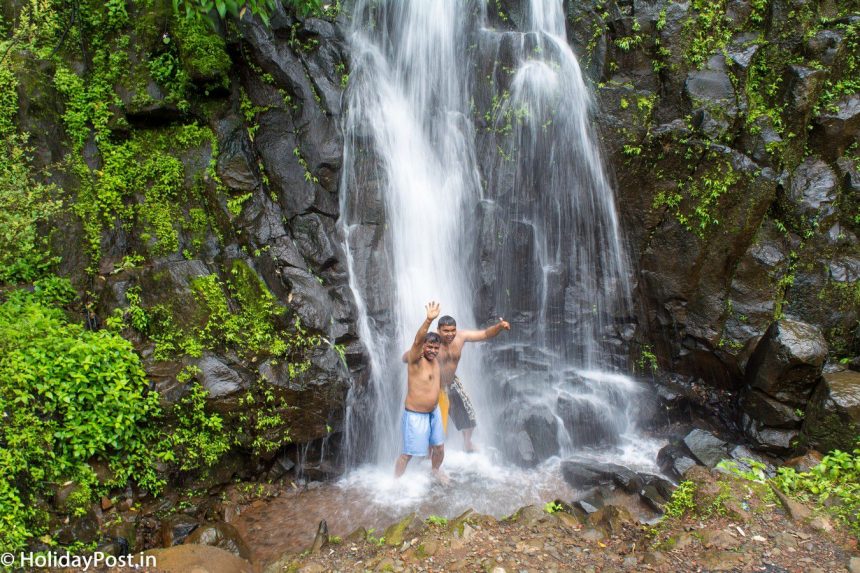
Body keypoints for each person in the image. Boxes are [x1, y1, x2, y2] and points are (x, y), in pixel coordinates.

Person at [437, 314, 510, 452]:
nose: (450, 334)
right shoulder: (432, 341)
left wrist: (499, 327)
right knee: (435, 424)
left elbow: (485, 334)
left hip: (452, 382)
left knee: (470, 416)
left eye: (452, 330)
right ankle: (430, 456)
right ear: (438, 330)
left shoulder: (461, 337)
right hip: (434, 385)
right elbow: (416, 350)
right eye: (446, 331)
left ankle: (467, 443)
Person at [395, 301, 448, 483]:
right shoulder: (416, 360)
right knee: (407, 454)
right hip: (415, 415)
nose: (433, 351)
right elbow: (417, 341)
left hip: (433, 412)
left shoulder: (435, 361)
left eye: (436, 348)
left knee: (439, 448)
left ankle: (435, 470)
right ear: (423, 347)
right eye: (429, 347)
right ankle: (395, 483)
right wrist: (428, 320)